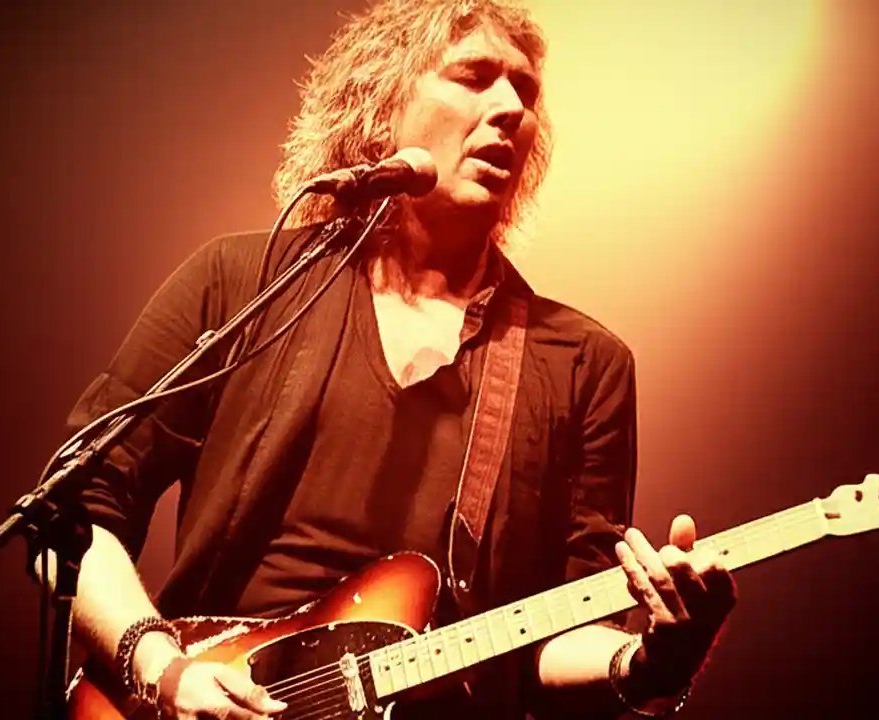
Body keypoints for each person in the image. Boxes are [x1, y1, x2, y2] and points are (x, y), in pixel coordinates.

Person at [54, 1, 736, 718]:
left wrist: (652, 659)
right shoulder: (238, 284)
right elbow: (75, 514)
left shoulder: (583, 366)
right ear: (382, 100)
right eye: (473, 77)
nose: (509, 107)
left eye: (526, 92)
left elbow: (563, 636)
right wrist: (163, 670)